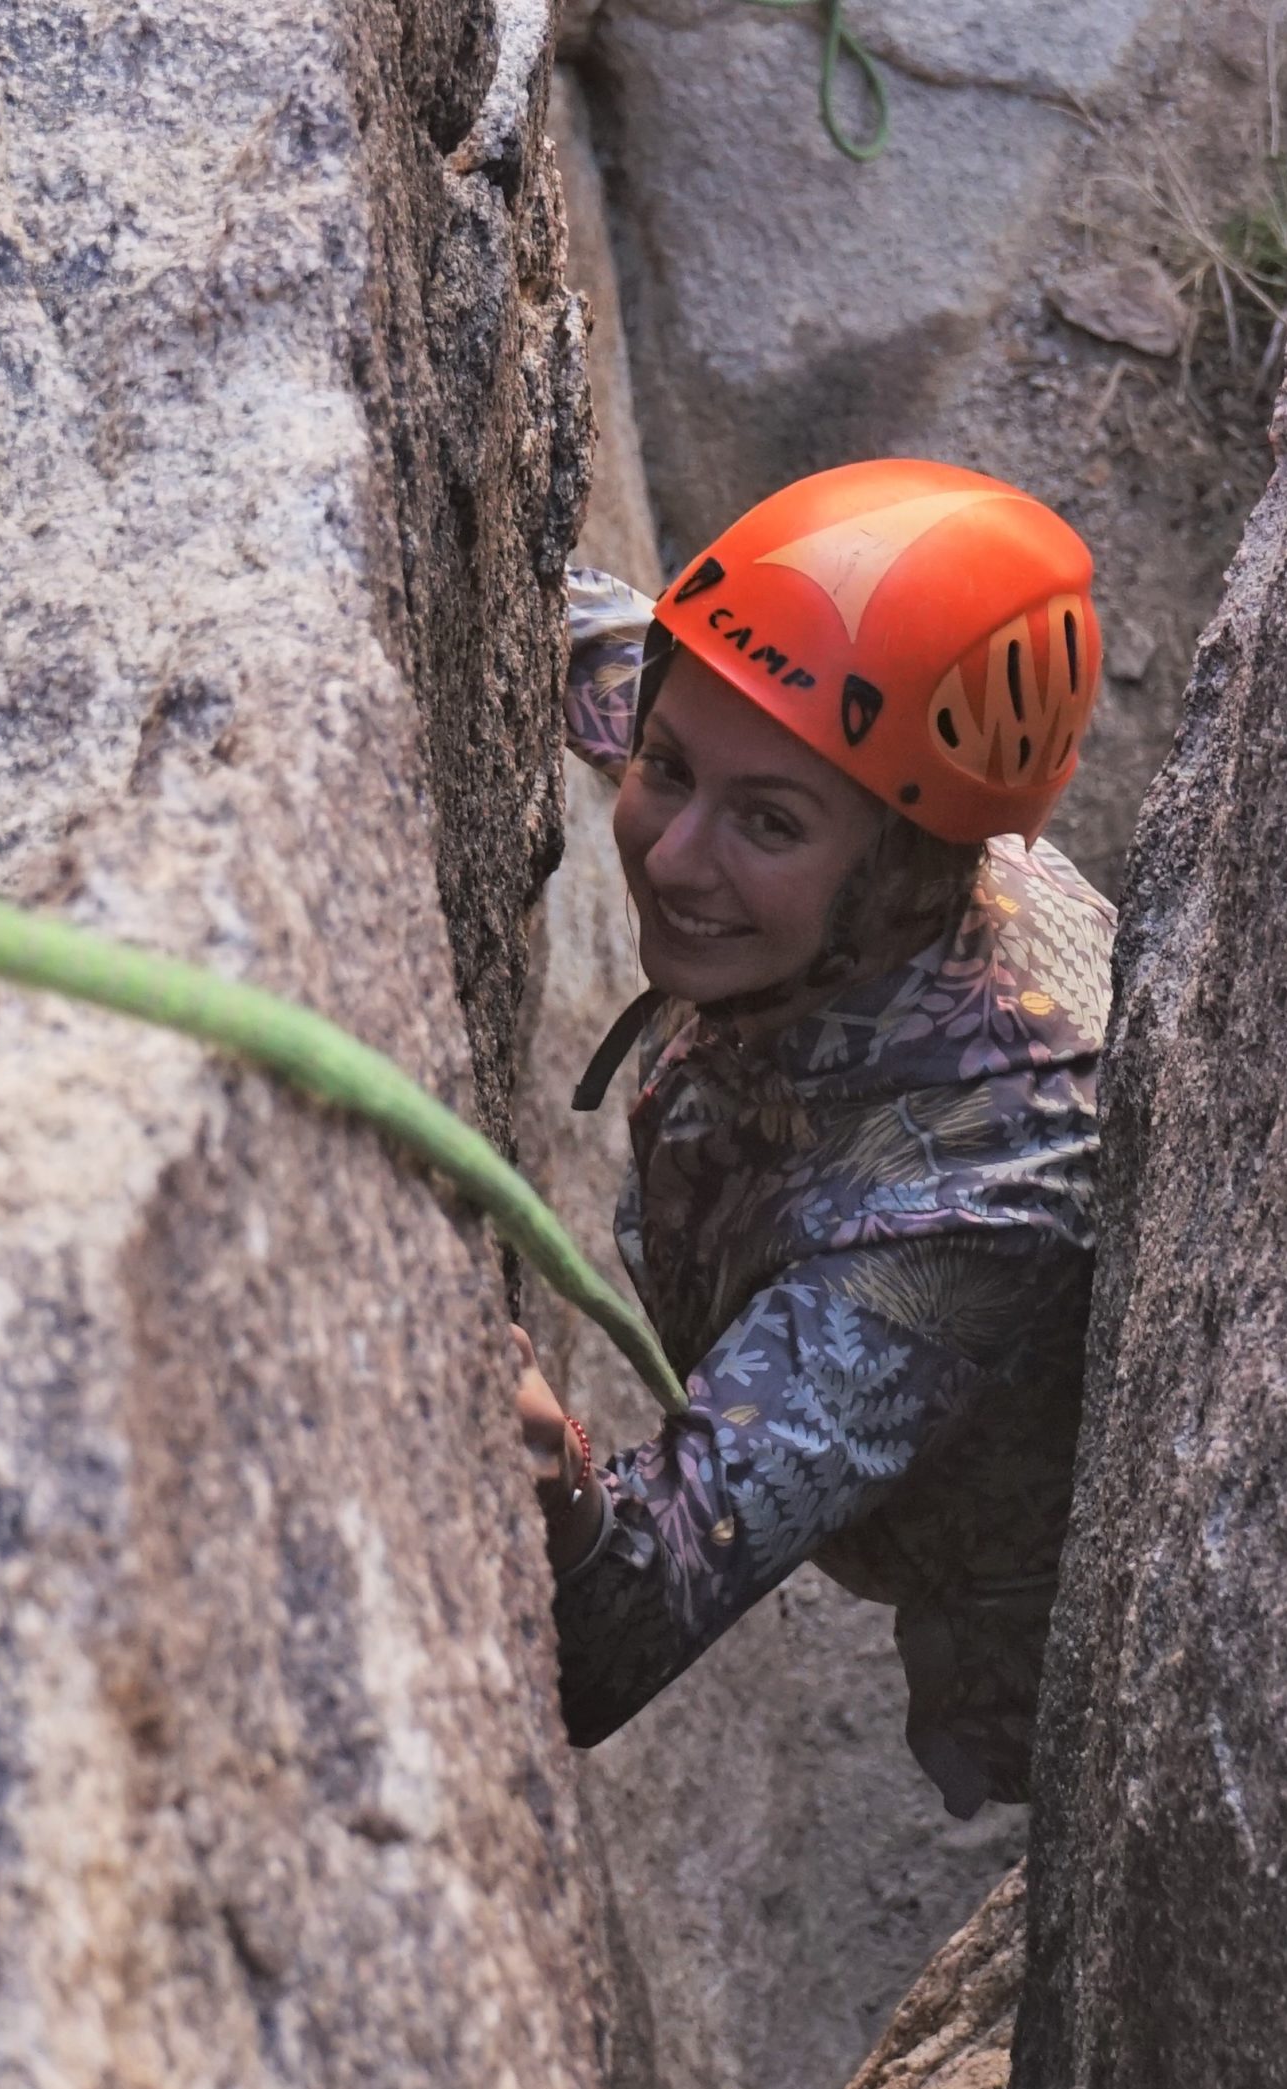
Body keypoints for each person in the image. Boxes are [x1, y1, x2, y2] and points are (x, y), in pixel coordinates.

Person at [511, 459, 1115, 1819]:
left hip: (1011, 1557)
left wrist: (549, 1488)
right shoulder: (834, 779)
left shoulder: (978, 1196)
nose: (670, 856)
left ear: (906, 866)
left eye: (767, 824)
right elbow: (583, 638)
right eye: (665, 770)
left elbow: (614, 1638)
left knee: (1039, 1752)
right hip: (789, 1199)